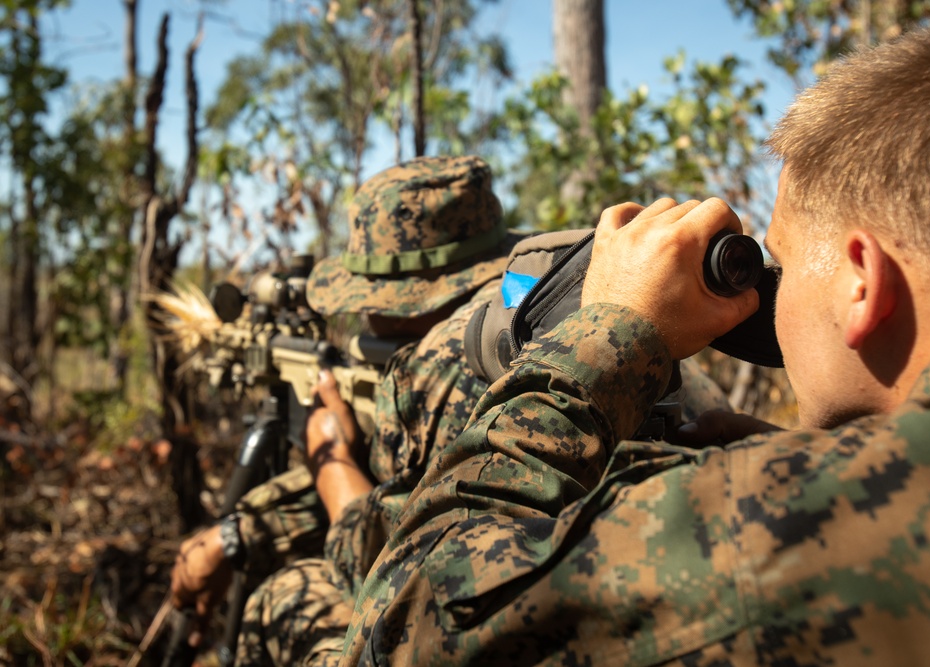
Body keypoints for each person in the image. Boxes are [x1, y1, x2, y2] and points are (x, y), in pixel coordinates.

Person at [341, 13, 930, 666]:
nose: (768, 294)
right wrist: (774, 451)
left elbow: (408, 622)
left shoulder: (811, 518)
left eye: (782, 263)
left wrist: (608, 335)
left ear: (863, 280)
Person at [169, 155, 739, 663]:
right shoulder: (574, 303)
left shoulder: (438, 363)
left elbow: (412, 571)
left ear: (394, 297)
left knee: (280, 597)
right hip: (691, 600)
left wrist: (333, 472)